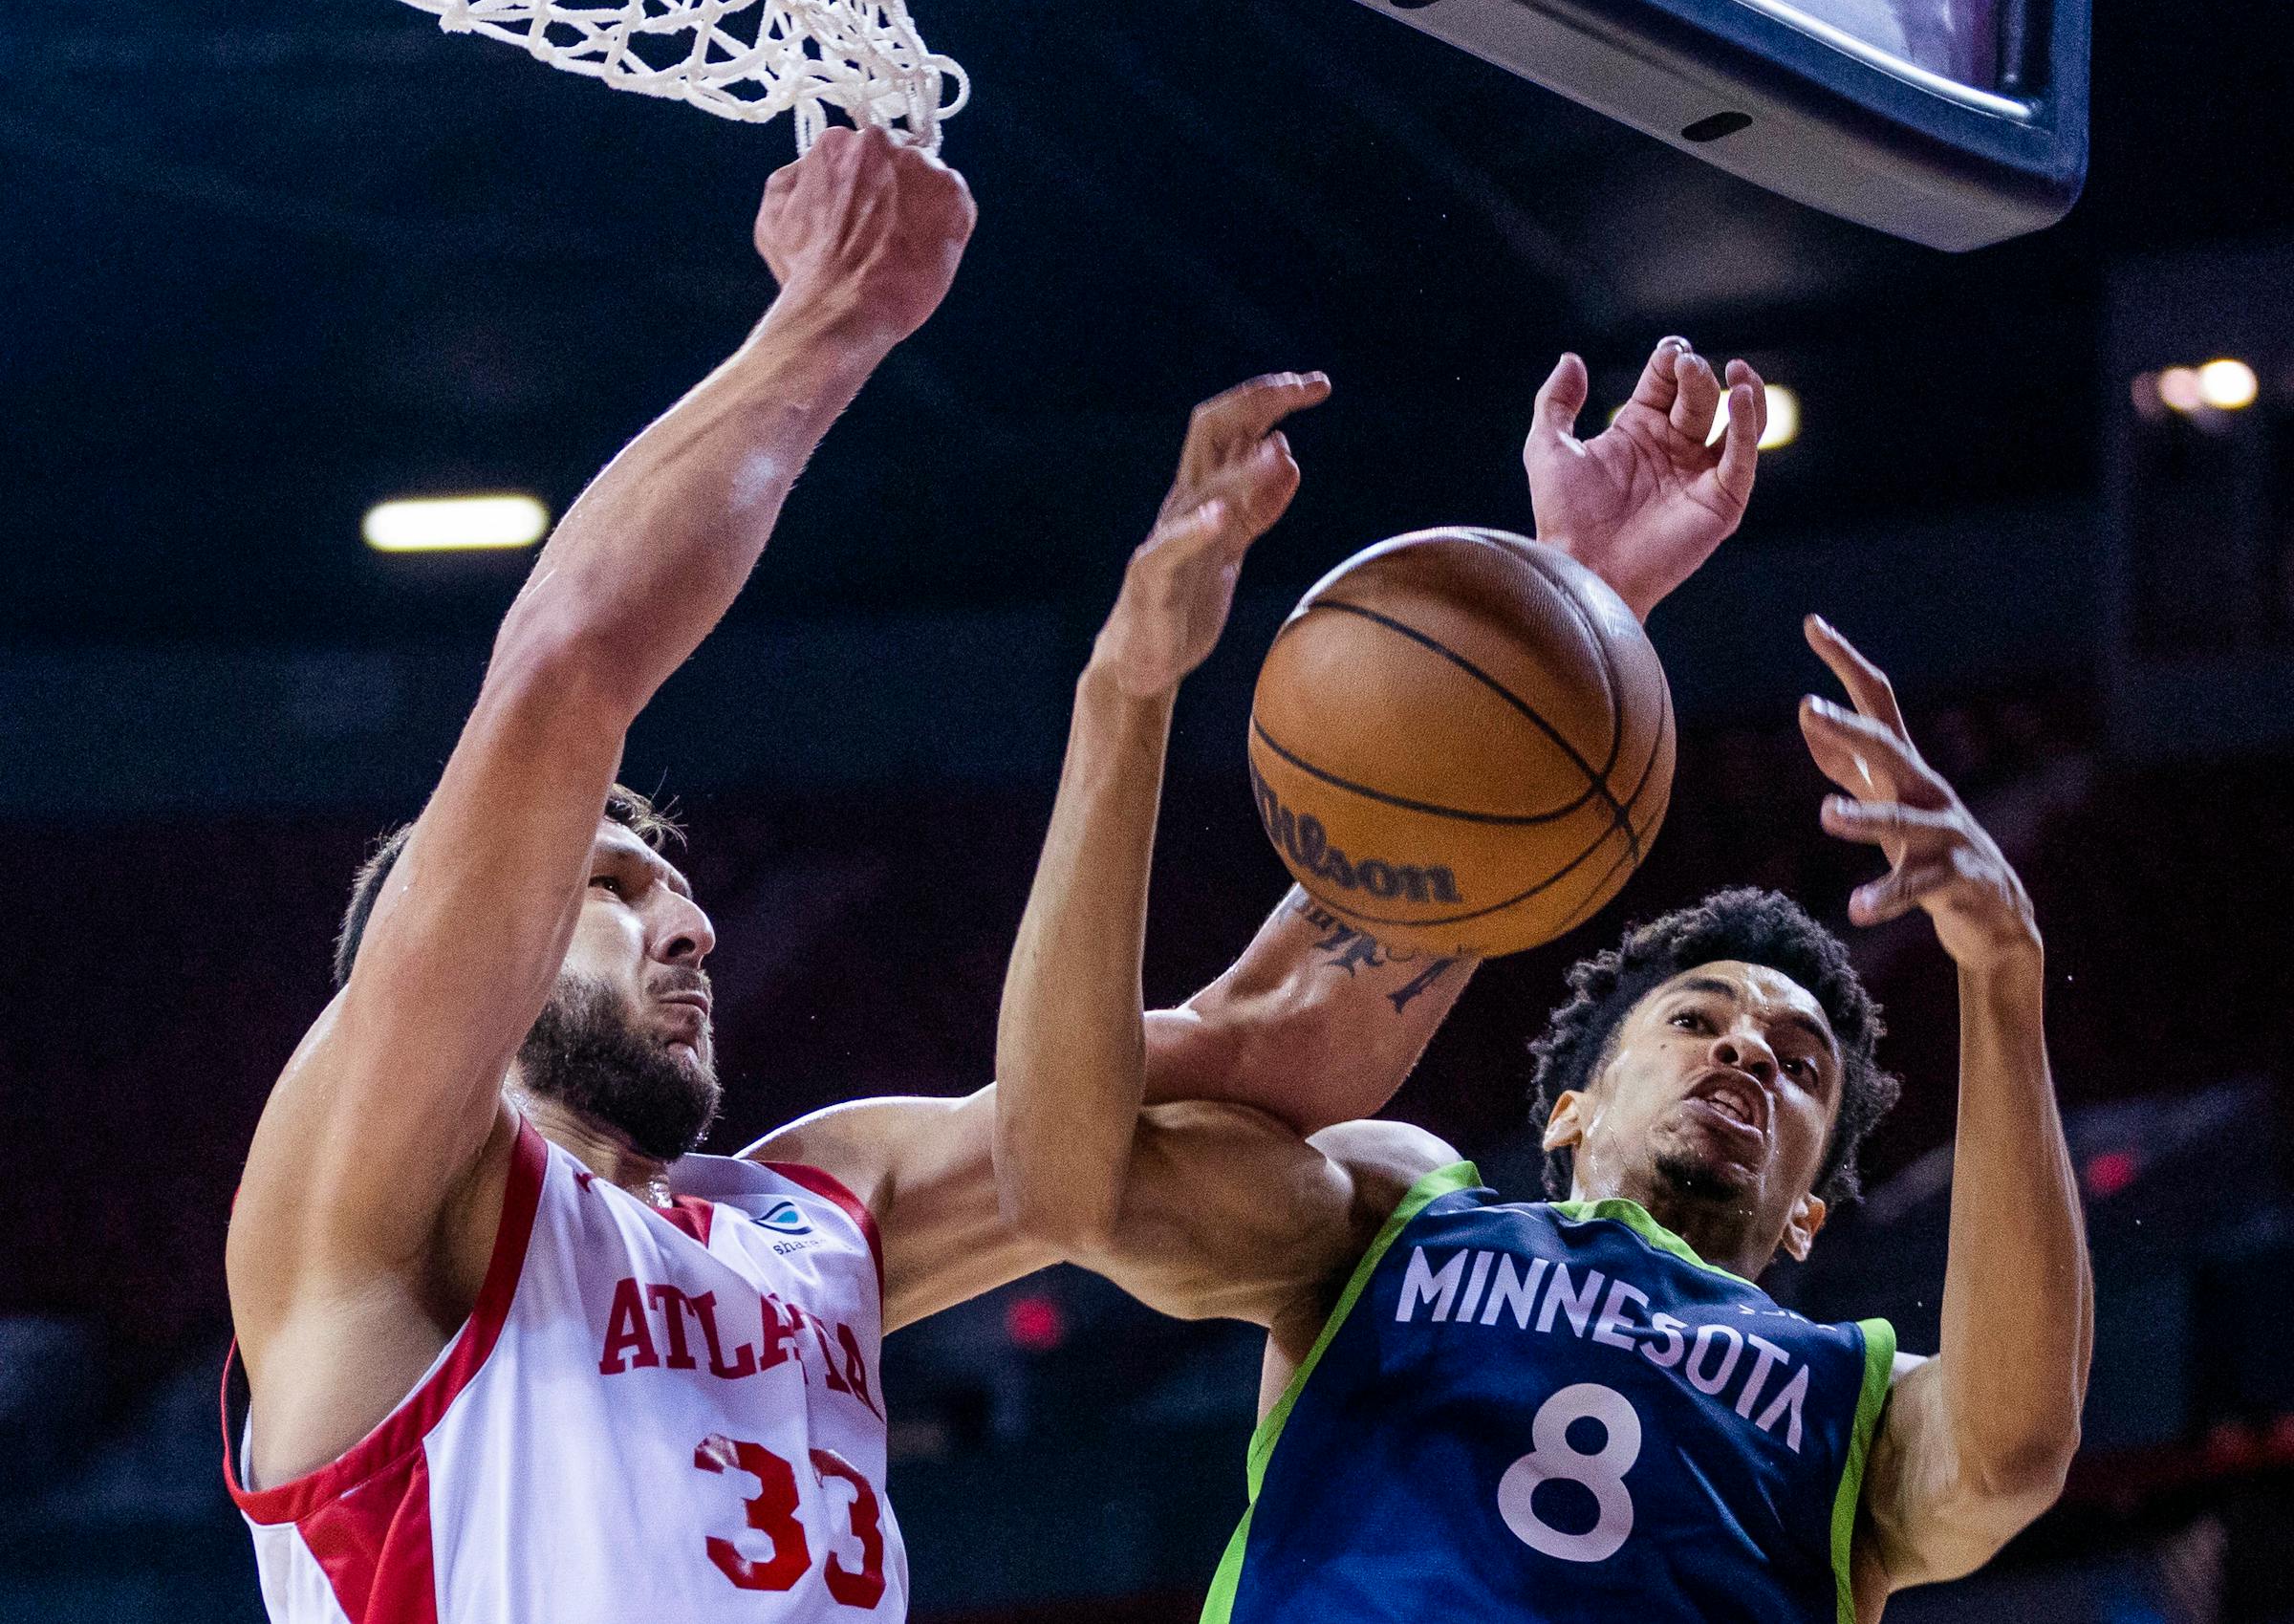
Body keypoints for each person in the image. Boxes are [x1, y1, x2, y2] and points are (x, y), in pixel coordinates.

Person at [220, 128, 1475, 1624]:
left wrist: (1568, 637)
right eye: (610, 888)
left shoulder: (817, 1207)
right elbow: (564, 669)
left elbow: (1277, 1049)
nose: (683, 921)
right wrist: (833, 312)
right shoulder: (370, 1208)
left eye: (671, 882)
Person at [993, 352, 2091, 1622]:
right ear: (1566, 1112)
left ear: (1807, 1217)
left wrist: (2004, 979)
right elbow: (1075, 1182)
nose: (1744, 1055)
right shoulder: (1392, 1218)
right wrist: (1123, 694)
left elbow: (2012, 1454)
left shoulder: (1855, 1407)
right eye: (1697, 1019)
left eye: (1797, 1068)